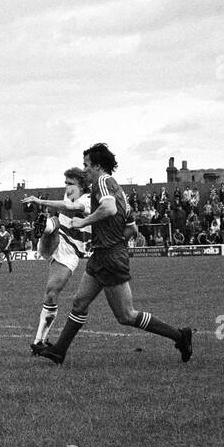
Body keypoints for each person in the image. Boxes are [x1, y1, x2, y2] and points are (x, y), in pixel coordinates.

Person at [33, 143, 193, 366]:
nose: (85, 169)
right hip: (103, 255)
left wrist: (85, 222)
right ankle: (59, 351)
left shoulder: (102, 182)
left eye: (87, 165)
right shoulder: (116, 188)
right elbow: (132, 229)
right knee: (79, 302)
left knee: (126, 315)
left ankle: (180, 335)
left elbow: (109, 209)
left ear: (98, 165)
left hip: (109, 257)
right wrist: (112, 240)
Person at [23, 167, 92, 349]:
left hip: (71, 249)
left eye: (71, 184)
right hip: (57, 233)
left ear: (82, 186)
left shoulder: (88, 199)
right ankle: (44, 225)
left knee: (51, 293)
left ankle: (39, 341)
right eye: (66, 183)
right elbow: (63, 211)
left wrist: (40, 200)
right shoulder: (68, 194)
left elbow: (70, 207)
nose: (68, 187)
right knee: (54, 223)